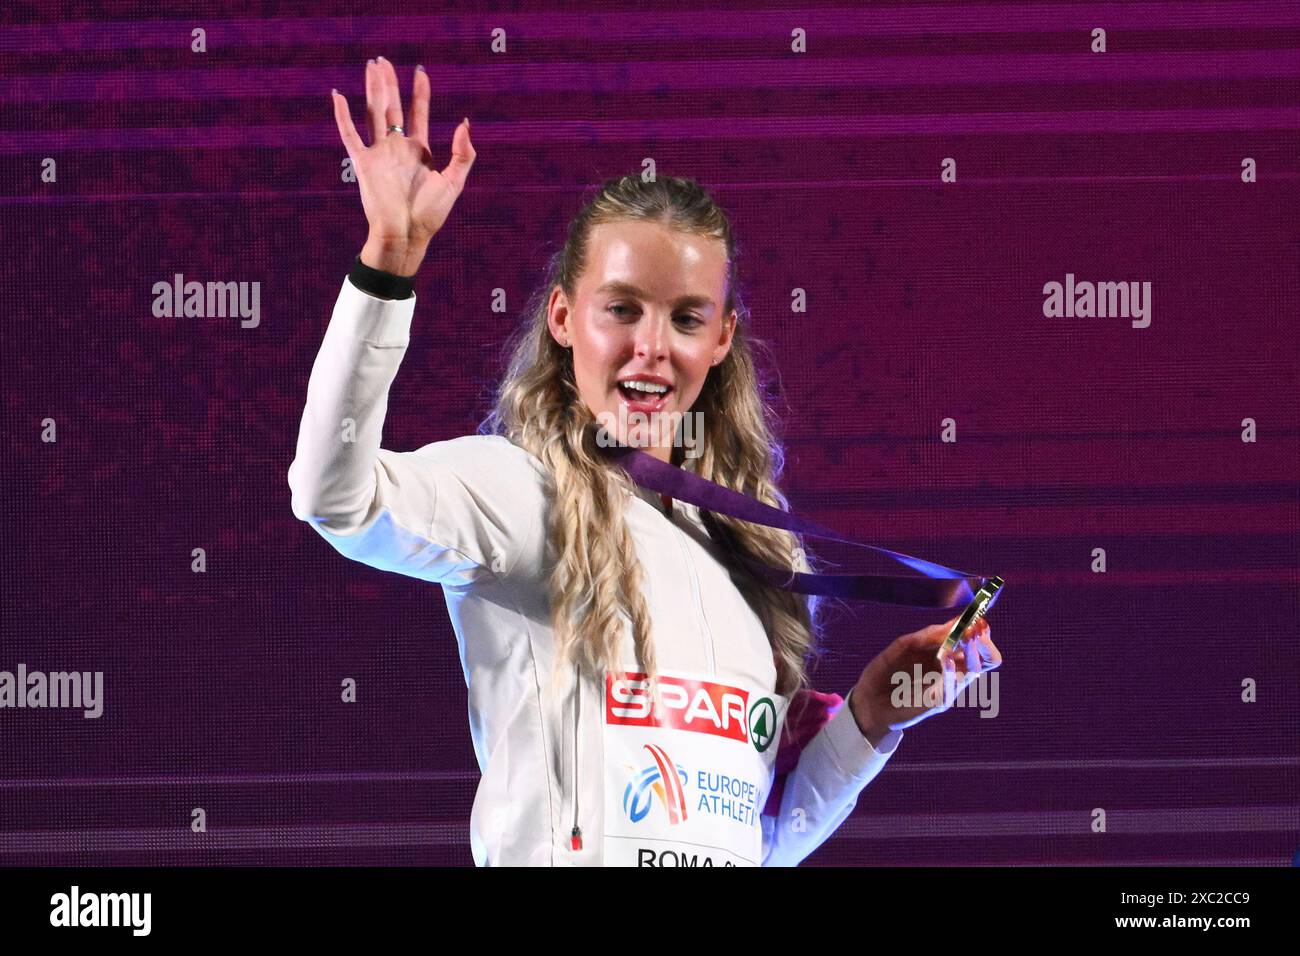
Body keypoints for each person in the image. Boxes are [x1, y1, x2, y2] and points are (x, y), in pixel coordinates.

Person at [289, 56, 1003, 867]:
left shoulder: (753, 555)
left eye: (686, 318)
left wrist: (872, 716)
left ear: (722, 338)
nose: (651, 349)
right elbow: (333, 496)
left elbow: (757, 843)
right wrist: (388, 259)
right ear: (564, 317)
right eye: (620, 309)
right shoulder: (519, 492)